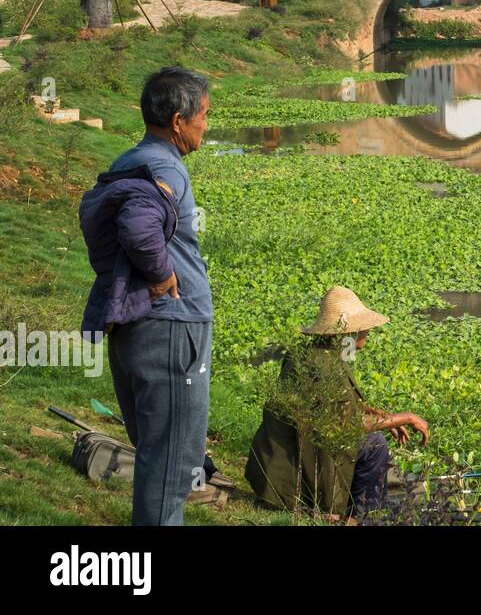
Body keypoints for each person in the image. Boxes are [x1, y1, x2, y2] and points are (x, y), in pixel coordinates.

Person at [79, 66, 213, 526]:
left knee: (159, 455)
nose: (205, 126)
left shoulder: (130, 159)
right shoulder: (163, 167)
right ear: (179, 121)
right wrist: (160, 275)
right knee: (171, 466)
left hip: (143, 329)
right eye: (204, 117)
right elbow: (138, 225)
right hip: (170, 330)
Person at [244, 286, 430, 520]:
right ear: (347, 332)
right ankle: (353, 516)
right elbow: (347, 426)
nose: (368, 331)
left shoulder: (317, 352)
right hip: (291, 475)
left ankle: (346, 509)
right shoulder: (324, 367)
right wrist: (406, 417)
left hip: (281, 459)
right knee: (375, 444)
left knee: (372, 441)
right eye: (363, 327)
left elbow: (328, 406)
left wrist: (373, 412)